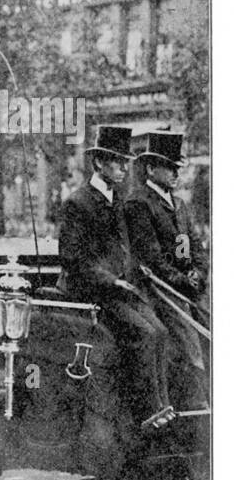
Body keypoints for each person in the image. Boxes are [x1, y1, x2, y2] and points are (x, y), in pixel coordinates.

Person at [58, 125, 173, 430]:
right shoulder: (77, 203)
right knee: (144, 334)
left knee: (160, 330)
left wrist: (136, 275)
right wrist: (112, 281)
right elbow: (73, 259)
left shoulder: (118, 200)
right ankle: (145, 410)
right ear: (99, 163)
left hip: (118, 289)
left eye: (126, 162)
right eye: (118, 161)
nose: (124, 167)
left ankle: (162, 405)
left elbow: (125, 249)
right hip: (90, 290)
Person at [123, 129, 209, 411]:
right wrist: (184, 281)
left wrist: (199, 273)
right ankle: (196, 408)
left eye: (177, 168)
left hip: (186, 286)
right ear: (151, 168)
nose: (176, 174)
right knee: (189, 342)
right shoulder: (138, 203)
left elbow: (197, 246)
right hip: (157, 288)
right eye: (169, 167)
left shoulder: (180, 204)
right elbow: (152, 259)